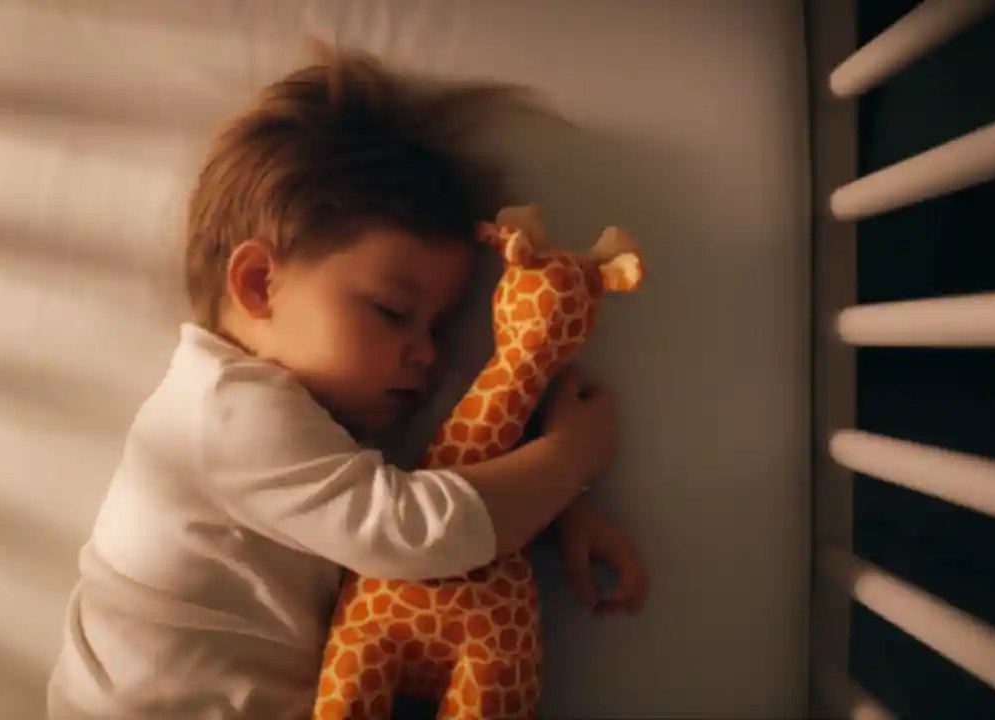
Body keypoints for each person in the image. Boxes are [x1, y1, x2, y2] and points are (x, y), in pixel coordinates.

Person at [47, 45, 648, 719]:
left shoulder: (303, 425)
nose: (427, 354)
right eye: (392, 313)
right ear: (258, 283)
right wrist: (569, 460)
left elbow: (435, 500)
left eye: (438, 328)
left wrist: (557, 511)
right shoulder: (226, 407)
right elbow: (414, 532)